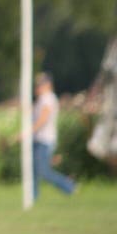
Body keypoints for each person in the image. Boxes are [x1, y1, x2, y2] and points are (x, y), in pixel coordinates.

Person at [33, 72, 76, 200]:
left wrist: (28, 132)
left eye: (41, 84)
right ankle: (33, 196)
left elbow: (43, 119)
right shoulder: (42, 99)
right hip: (39, 139)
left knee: (43, 171)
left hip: (45, 140)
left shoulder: (48, 99)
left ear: (48, 84)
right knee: (34, 170)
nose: (38, 87)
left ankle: (69, 186)